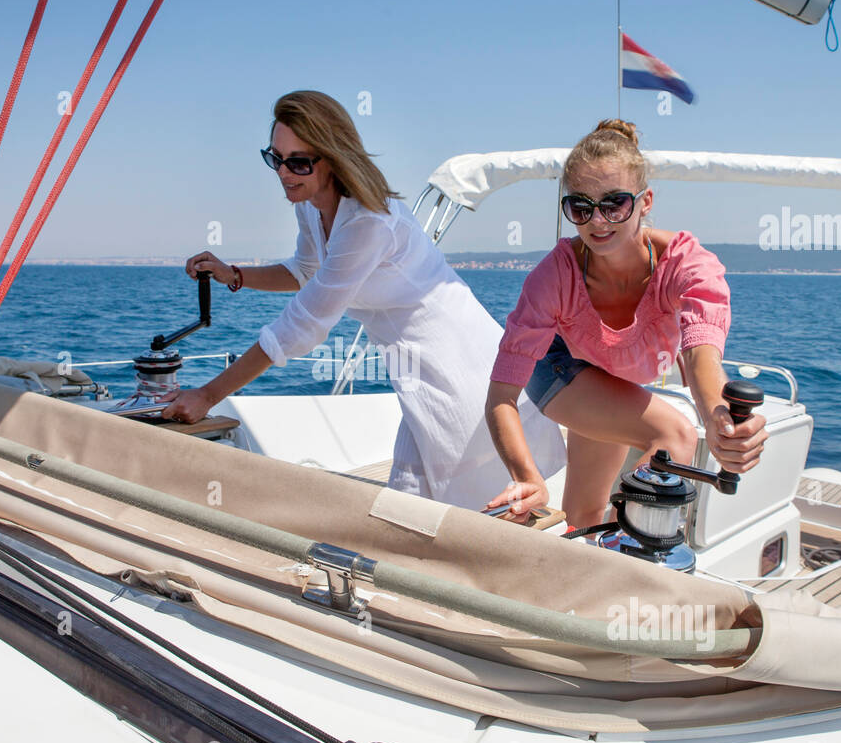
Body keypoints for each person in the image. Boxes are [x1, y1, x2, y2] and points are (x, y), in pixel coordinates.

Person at [161, 90, 565, 509]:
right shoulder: (312, 203)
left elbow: (299, 328)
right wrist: (235, 275)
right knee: (413, 510)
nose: (283, 173)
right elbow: (304, 272)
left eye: (298, 162)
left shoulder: (367, 223)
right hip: (413, 373)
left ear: (333, 157)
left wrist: (208, 395)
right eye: (275, 158)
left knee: (474, 511)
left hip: (457, 368)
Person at [483, 119, 767, 529]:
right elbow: (500, 396)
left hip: (608, 374)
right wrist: (528, 480)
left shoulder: (688, 265)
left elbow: (702, 354)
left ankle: (590, 572)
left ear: (646, 201)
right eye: (580, 206)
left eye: (614, 203)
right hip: (558, 365)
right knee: (675, 437)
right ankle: (631, 550)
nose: (597, 221)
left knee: (583, 515)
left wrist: (719, 422)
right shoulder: (553, 276)